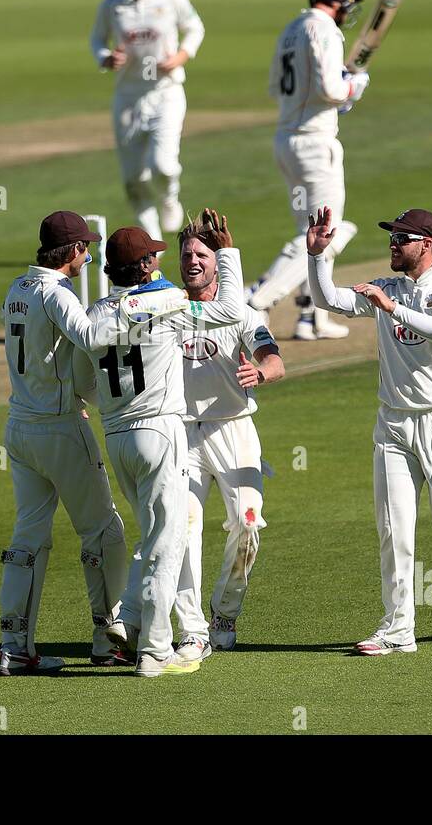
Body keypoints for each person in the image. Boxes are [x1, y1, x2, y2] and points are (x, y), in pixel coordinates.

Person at [305, 205, 432, 655]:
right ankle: (398, 627)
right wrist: (319, 256)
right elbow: (329, 301)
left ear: (429, 244)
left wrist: (392, 307)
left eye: (403, 237)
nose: (393, 244)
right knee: (393, 527)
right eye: (392, 236)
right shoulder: (386, 287)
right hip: (394, 422)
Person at [74, 210, 243, 676]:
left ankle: (127, 619)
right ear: (146, 266)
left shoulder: (95, 314)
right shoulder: (168, 301)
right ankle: (155, 650)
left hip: (116, 436)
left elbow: (82, 383)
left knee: (153, 534)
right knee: (168, 542)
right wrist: (227, 253)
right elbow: (228, 310)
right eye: (154, 256)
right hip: (161, 431)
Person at [0, 211, 129, 676]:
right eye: (86, 248)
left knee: (28, 538)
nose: (90, 255)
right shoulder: (55, 294)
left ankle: (14, 646)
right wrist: (137, 308)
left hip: (19, 427)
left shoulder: (17, 289)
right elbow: (91, 336)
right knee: (104, 532)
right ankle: (107, 637)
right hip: (58, 428)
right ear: (72, 252)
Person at [171, 222, 284, 659]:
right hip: (181, 432)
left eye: (202, 254)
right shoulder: (169, 307)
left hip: (234, 428)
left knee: (249, 524)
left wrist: (262, 372)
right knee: (182, 528)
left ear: (219, 263)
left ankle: (224, 611)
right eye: (187, 254)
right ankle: (192, 628)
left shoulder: (240, 312)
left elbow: (272, 358)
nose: (193, 261)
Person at [248, 0, 370, 341]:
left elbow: (278, 87)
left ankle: (310, 317)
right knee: (325, 234)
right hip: (315, 144)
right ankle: (257, 299)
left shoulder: (291, 29)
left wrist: (333, 101)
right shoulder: (325, 30)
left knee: (310, 231)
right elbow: (333, 89)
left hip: (286, 140)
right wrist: (354, 87)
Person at [89, 0, 205, 240]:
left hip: (165, 90)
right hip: (128, 96)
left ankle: (169, 198)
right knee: (133, 178)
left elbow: (195, 27)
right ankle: (153, 239)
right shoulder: (113, 5)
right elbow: (97, 40)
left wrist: (181, 55)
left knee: (163, 165)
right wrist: (106, 57)